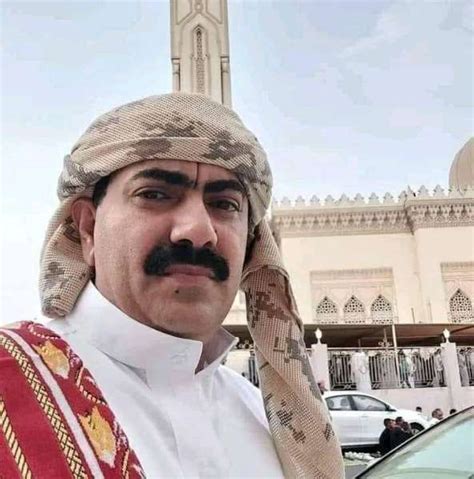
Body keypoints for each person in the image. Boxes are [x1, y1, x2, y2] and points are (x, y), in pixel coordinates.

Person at [0, 94, 344, 478]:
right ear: (88, 228)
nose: (198, 231)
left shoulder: (265, 421)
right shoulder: (10, 378)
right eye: (155, 195)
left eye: (225, 204)